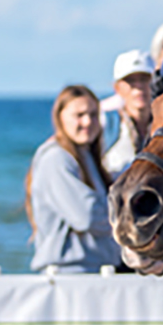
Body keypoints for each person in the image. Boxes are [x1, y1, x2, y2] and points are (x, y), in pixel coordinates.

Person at [28, 85, 124, 272]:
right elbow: (86, 216)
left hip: (97, 269)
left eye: (93, 114)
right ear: (60, 117)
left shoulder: (87, 156)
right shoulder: (56, 158)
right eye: (79, 115)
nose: (87, 121)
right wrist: (128, 217)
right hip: (69, 272)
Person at [100, 50, 154, 177]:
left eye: (144, 79)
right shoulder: (106, 123)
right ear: (117, 88)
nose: (138, 87)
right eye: (130, 81)